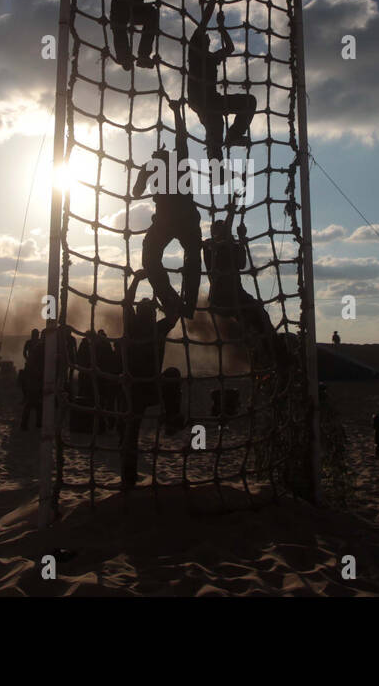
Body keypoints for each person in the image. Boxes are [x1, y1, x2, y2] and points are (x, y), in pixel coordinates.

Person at [132, 99, 201, 321]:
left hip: (166, 219)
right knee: (192, 258)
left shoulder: (155, 167)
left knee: (151, 258)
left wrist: (144, 171)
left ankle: (171, 301)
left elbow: (135, 192)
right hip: (187, 217)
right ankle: (187, 305)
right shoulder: (179, 159)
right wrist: (177, 112)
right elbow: (182, 137)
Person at [117, 269, 185, 488]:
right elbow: (174, 315)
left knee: (131, 432)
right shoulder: (155, 328)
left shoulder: (135, 327)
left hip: (136, 387)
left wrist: (137, 280)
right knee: (172, 375)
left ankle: (128, 476)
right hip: (146, 386)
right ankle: (172, 417)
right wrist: (160, 288)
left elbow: (127, 303)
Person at [184, 0, 256, 166]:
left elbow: (230, 48)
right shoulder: (194, 50)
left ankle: (234, 136)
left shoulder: (211, 58)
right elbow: (205, 18)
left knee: (248, 102)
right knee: (215, 125)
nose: (208, 37)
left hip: (212, 100)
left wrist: (222, 28)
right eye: (206, 36)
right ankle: (216, 168)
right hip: (199, 99)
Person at [202, 213, 286, 371]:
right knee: (246, 329)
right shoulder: (209, 246)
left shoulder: (231, 246)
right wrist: (231, 213)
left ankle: (277, 358)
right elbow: (218, 243)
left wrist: (241, 239)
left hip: (237, 294)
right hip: (221, 298)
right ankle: (265, 359)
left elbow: (241, 263)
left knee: (261, 318)